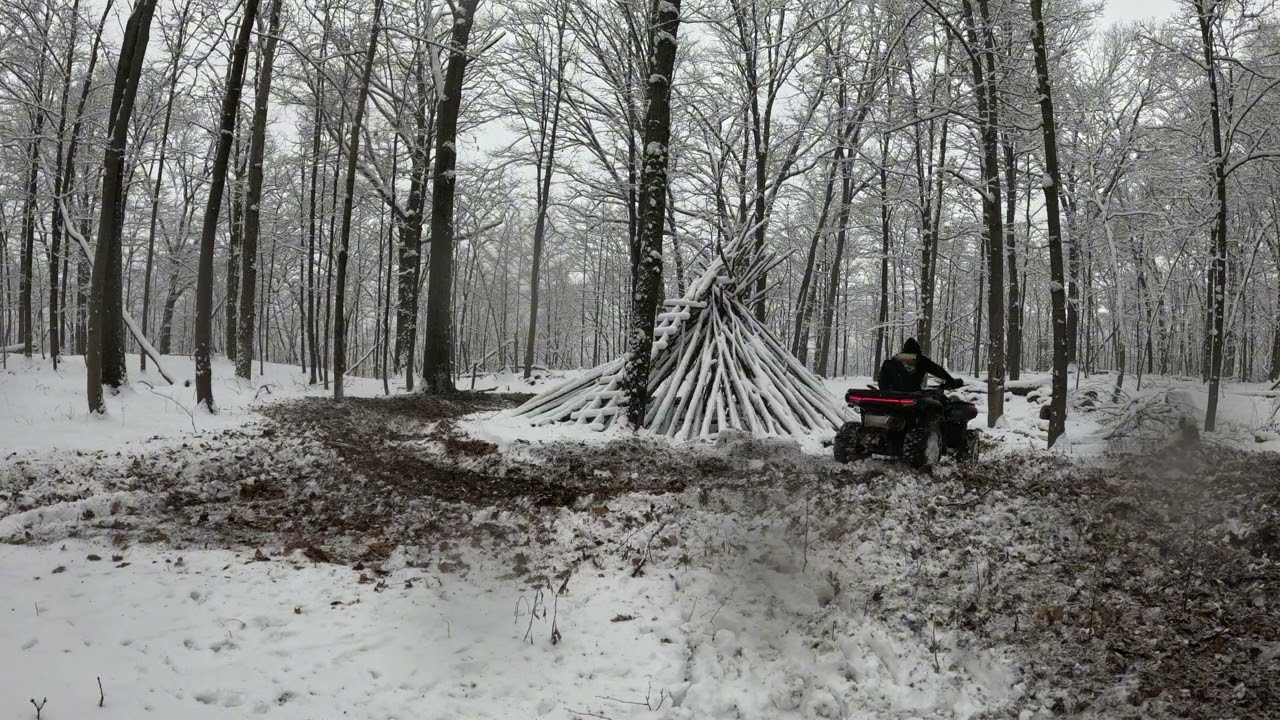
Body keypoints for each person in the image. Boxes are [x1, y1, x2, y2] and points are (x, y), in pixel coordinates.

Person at [878, 337, 962, 393]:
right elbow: (937, 370)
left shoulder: (894, 360)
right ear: (918, 349)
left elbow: (882, 379)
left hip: (891, 396)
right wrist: (951, 381)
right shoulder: (920, 360)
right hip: (913, 395)